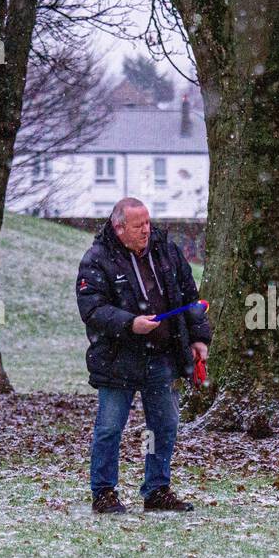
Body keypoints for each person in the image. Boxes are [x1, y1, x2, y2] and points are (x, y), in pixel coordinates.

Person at [76, 197, 211, 513]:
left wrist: (198, 338)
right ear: (118, 227)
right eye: (138, 226)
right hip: (116, 358)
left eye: (148, 223)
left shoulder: (166, 251)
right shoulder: (97, 260)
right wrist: (129, 324)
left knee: (163, 426)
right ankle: (104, 493)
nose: (146, 231)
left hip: (162, 357)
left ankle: (157, 490)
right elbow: (92, 309)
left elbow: (190, 298)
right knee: (110, 428)